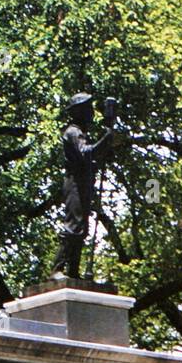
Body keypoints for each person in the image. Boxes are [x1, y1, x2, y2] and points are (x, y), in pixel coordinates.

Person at [50, 93, 124, 280]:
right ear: (79, 111)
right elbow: (85, 153)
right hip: (74, 183)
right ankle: (57, 270)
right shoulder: (73, 132)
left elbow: (91, 158)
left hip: (82, 183)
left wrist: (104, 151)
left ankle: (73, 272)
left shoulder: (82, 133)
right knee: (74, 225)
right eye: (88, 108)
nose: (92, 112)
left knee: (82, 228)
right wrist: (105, 140)